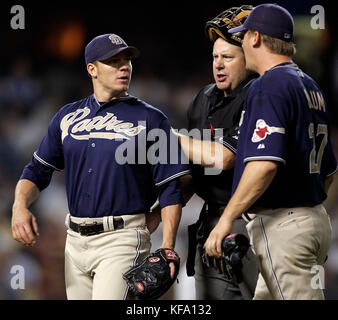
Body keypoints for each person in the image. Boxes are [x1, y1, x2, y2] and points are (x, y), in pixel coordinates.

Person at [11, 33, 190, 300]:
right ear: (92, 69)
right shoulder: (67, 117)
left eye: (126, 60)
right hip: (74, 239)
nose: (124, 67)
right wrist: (19, 206)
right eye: (113, 61)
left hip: (122, 238)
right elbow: (37, 171)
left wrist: (167, 245)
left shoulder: (151, 118)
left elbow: (170, 186)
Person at [205, 3, 338, 300]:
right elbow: (329, 171)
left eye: (243, 37)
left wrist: (227, 218)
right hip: (312, 219)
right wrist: (307, 214)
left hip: (284, 226)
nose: (241, 44)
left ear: (254, 37)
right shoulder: (309, 85)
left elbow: (264, 164)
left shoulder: (269, 85)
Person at [174, 6, 258, 300]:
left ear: (249, 56)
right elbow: (198, 170)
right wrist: (159, 212)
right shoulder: (203, 99)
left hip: (255, 223)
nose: (218, 65)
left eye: (228, 57)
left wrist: (170, 138)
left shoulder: (262, 94)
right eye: (215, 57)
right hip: (211, 223)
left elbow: (223, 158)